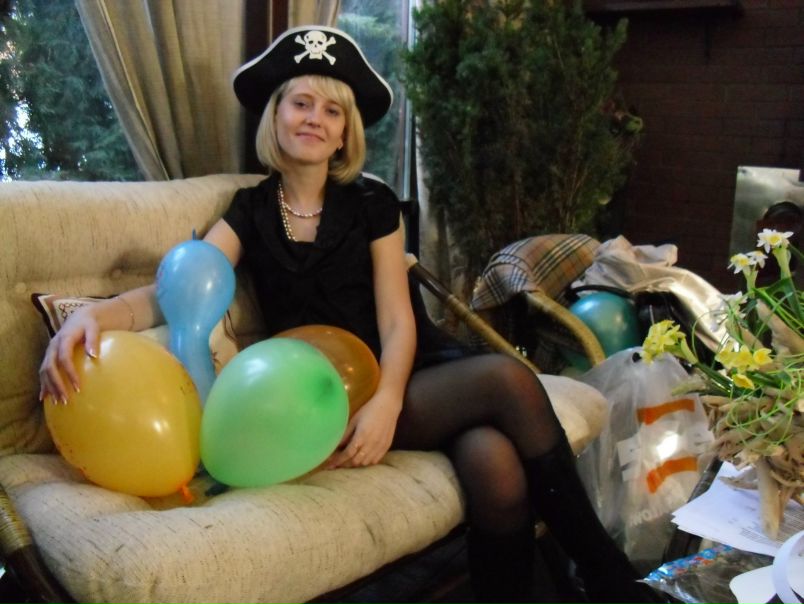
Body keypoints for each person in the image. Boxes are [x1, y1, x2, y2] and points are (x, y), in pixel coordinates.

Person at [39, 25, 666, 604]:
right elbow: (179, 290)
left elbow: (398, 321)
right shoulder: (249, 211)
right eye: (301, 103)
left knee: (495, 465)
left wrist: (388, 403)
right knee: (508, 380)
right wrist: (94, 317)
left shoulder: (372, 204)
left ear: (345, 134)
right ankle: (612, 581)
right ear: (275, 116)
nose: (315, 118)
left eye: (332, 110)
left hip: (407, 374)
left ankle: (601, 582)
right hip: (323, 395)